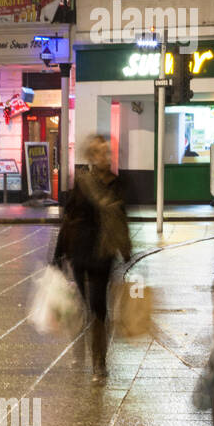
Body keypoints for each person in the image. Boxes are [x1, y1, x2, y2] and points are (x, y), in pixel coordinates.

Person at [52, 134, 132, 380]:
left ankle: (99, 362)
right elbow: (69, 219)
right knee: (84, 305)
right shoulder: (82, 182)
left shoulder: (117, 183)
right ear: (90, 156)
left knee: (99, 308)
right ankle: (81, 349)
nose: (105, 156)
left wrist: (126, 248)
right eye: (99, 152)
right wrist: (58, 254)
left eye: (107, 152)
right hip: (80, 251)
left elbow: (121, 217)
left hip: (104, 253)